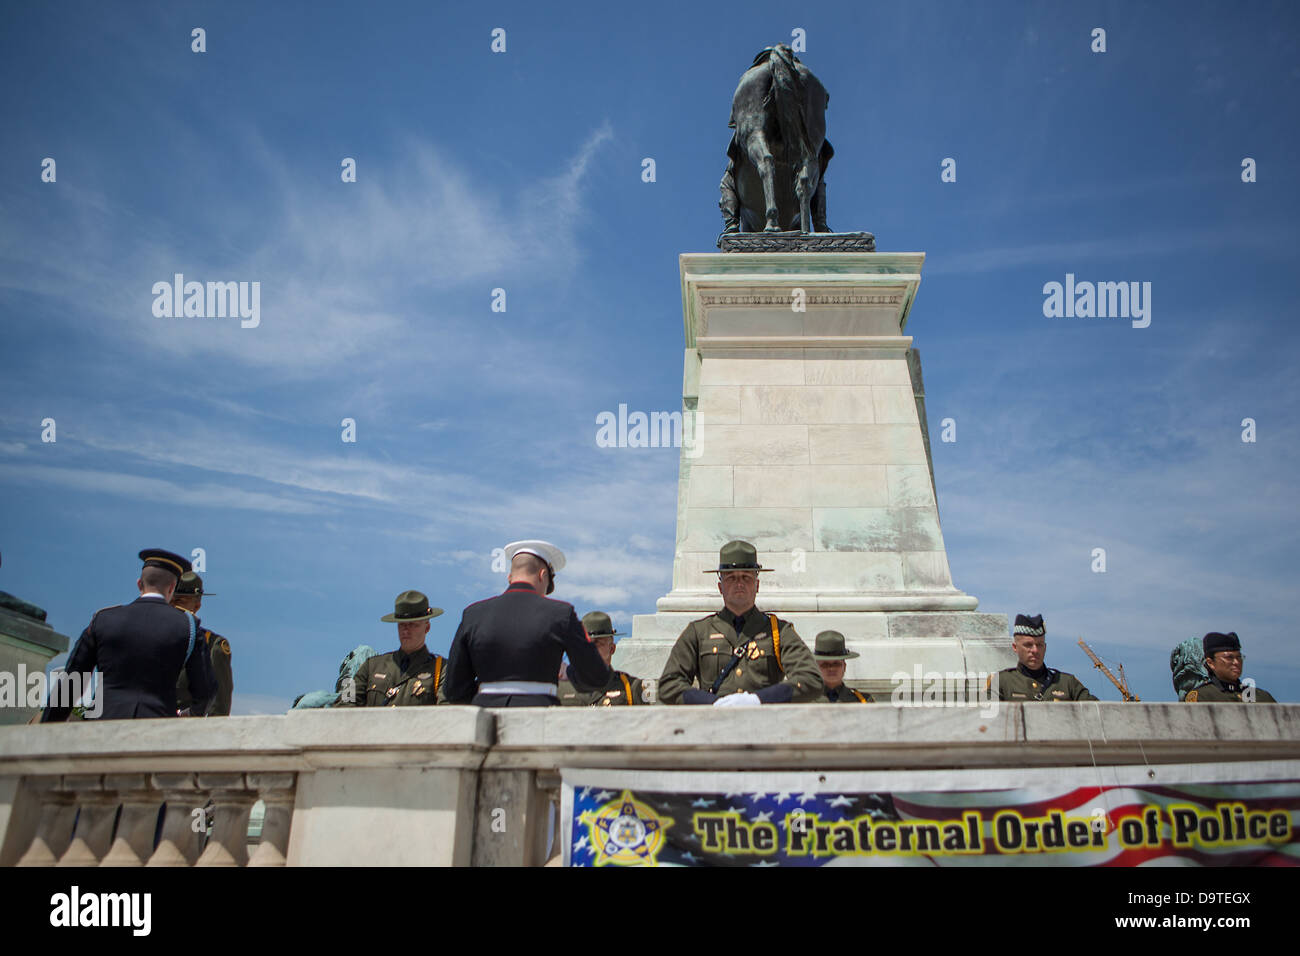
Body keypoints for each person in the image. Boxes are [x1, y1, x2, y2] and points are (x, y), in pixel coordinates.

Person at [41, 549, 216, 721]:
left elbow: (71, 684)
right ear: (172, 588)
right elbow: (206, 691)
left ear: (139, 583)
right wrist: (191, 716)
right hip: (158, 731)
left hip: (102, 726)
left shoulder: (103, 619)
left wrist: (48, 728)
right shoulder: (189, 627)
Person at [442, 540, 609, 707]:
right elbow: (596, 677)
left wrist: (487, 696)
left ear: (510, 577)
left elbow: (453, 690)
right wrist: (568, 672)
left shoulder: (473, 614)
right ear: (543, 575)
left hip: (486, 717)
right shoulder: (561, 614)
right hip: (540, 716)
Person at [658, 540, 821, 706]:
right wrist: (712, 703)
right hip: (713, 725)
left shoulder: (779, 631)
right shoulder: (698, 632)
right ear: (720, 587)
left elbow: (810, 679)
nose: (739, 584)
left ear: (757, 585)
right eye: (731, 578)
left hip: (763, 724)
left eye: (746, 577)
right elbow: (668, 686)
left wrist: (758, 699)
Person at [347, 591, 446, 707]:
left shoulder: (442, 670)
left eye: (413, 624)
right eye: (402, 624)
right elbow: (344, 705)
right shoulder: (371, 666)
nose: (406, 630)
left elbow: (446, 715)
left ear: (427, 628)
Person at [990, 614, 1097, 702]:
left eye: (1039, 645)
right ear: (1015, 647)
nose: (1035, 650)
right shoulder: (1001, 682)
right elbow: (984, 720)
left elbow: (1097, 713)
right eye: (1028, 645)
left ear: (1045, 647)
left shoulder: (1068, 683)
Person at [171, 572, 232, 716]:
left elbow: (218, 707)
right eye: (170, 601)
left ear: (197, 605)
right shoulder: (152, 638)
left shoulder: (211, 645)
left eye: (180, 602)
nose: (173, 607)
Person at [558, 611, 645, 706]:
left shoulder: (630, 687)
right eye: (585, 644)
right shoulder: (558, 687)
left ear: (612, 648)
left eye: (598, 643)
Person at [1184, 632, 1277, 703]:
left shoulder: (1262, 697)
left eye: (1239, 657)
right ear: (1210, 663)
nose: (1236, 662)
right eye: (1229, 658)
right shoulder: (1203, 696)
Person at [812, 630, 873, 703]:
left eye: (836, 664)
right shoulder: (804, 700)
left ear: (844, 667)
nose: (831, 668)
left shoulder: (863, 701)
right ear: (817, 668)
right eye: (825, 665)